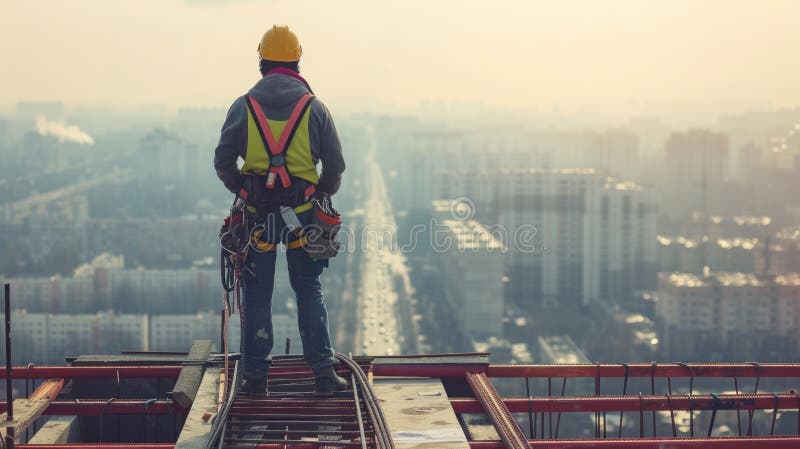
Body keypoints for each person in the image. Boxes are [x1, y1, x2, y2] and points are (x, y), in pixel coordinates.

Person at [213, 25, 347, 396]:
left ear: (262, 63)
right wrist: (319, 191)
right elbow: (335, 167)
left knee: (257, 296)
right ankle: (322, 373)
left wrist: (244, 188)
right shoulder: (315, 109)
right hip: (304, 217)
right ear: (297, 62)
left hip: (257, 220)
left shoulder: (243, 107)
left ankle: (255, 378)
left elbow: (223, 161)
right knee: (309, 289)